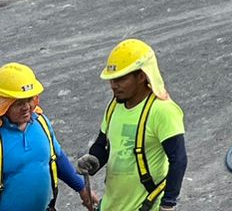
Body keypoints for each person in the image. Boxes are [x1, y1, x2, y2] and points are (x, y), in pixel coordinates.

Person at [75, 41, 184, 211]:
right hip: (112, 206)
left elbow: (178, 160)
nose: (113, 85)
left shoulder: (162, 110)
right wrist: (94, 159)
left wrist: (168, 203)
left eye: (120, 79)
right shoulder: (114, 106)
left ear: (141, 76)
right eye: (112, 79)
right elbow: (103, 143)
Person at [0, 62, 91, 211]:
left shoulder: (41, 122)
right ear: (3, 104)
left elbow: (58, 158)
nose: (27, 107)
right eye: (19, 103)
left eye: (29, 100)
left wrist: (82, 188)